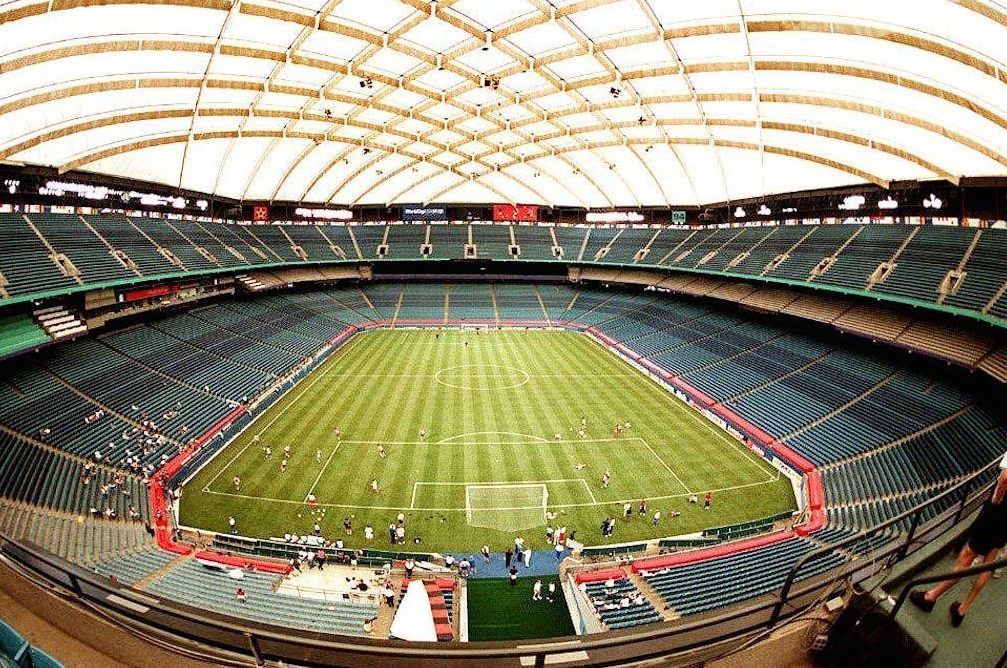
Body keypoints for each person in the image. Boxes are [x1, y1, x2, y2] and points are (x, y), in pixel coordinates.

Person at [910, 454, 1007, 626]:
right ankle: (962, 609)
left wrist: (995, 501)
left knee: (967, 557)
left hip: (998, 512)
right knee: (989, 561)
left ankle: (930, 597)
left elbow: (1005, 478)